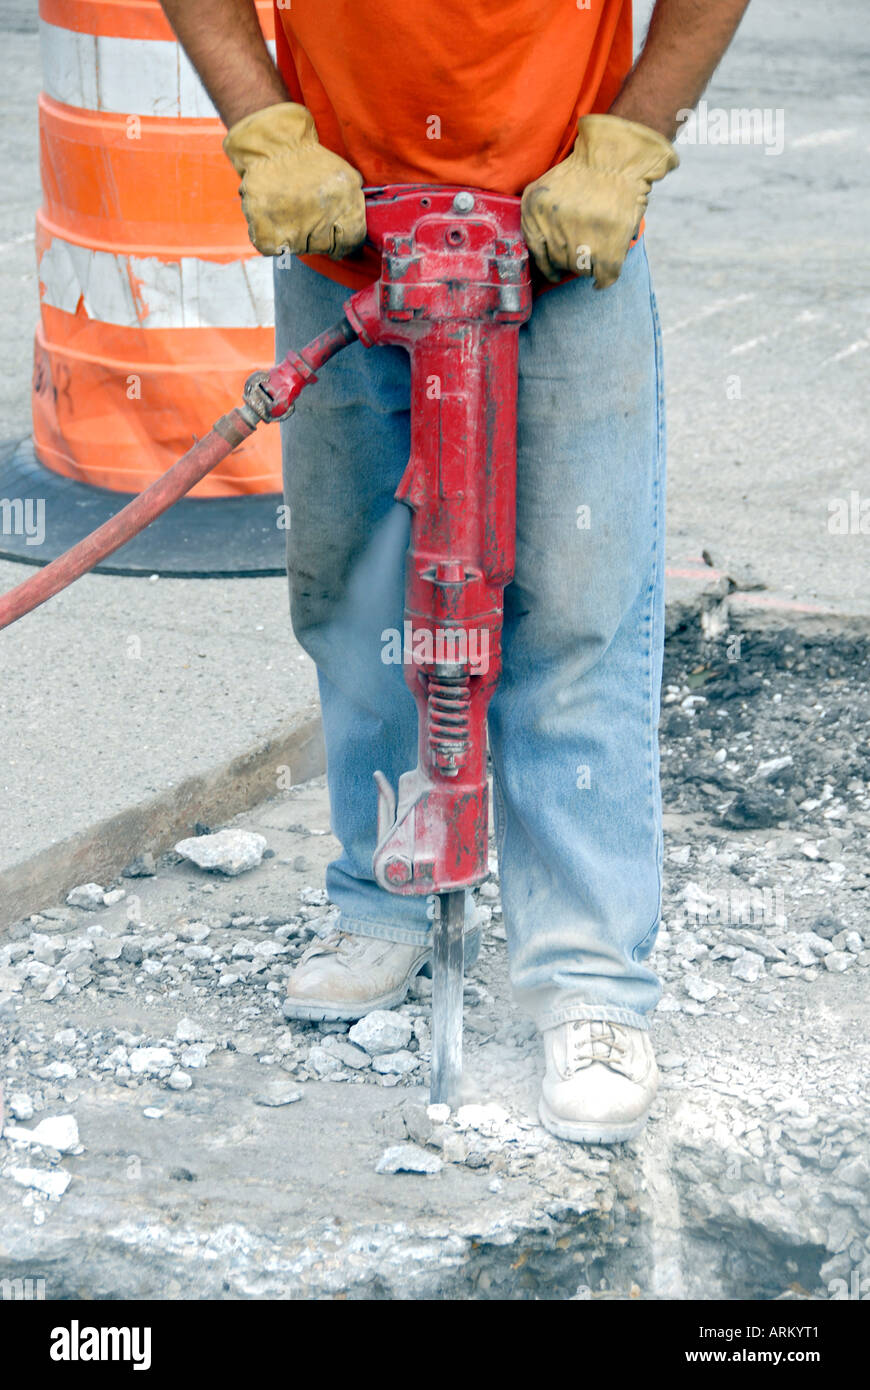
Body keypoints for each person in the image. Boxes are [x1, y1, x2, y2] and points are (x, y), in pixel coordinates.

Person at [160, 0, 751, 1143]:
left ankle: (586, 974)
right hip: (344, 222)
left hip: (565, 226)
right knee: (358, 586)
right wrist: (264, 128)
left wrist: (629, 141)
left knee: (575, 605)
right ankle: (387, 889)